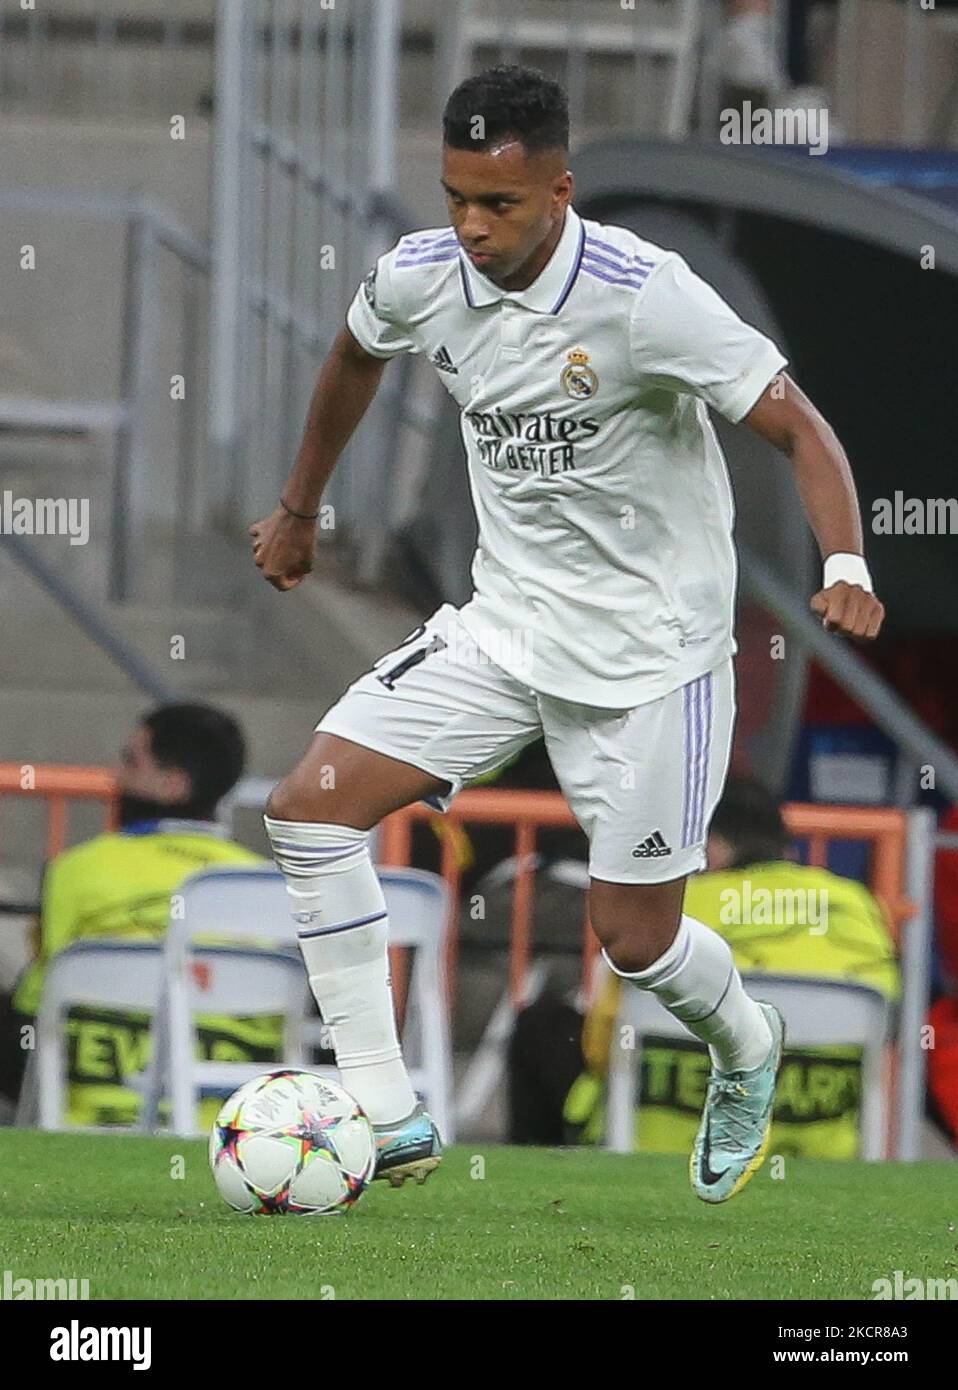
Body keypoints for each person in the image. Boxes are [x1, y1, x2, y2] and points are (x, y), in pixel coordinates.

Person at [249, 65, 885, 1202]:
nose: (470, 226)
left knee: (632, 941)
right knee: (307, 808)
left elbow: (799, 426)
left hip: (655, 660)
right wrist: (301, 509)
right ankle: (388, 1115)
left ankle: (744, 1042)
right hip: (507, 627)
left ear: (560, 192)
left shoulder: (647, 296)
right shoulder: (423, 276)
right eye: (454, 197)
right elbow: (352, 355)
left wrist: (843, 561)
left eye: (498, 205)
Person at [509, 778, 900, 1159]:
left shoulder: (669, 909)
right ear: (786, 848)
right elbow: (888, 1024)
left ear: (709, 847)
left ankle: (545, 1183)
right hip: (818, 1143)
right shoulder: (855, 904)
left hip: (662, 1137)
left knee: (540, 1026)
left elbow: (601, 1043)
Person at [0, 703, 271, 1127]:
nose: (116, 776)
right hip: (235, 1126)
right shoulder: (258, 884)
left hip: (86, 1117)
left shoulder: (75, 870)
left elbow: (32, 1005)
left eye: (130, 761)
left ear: (173, 782)